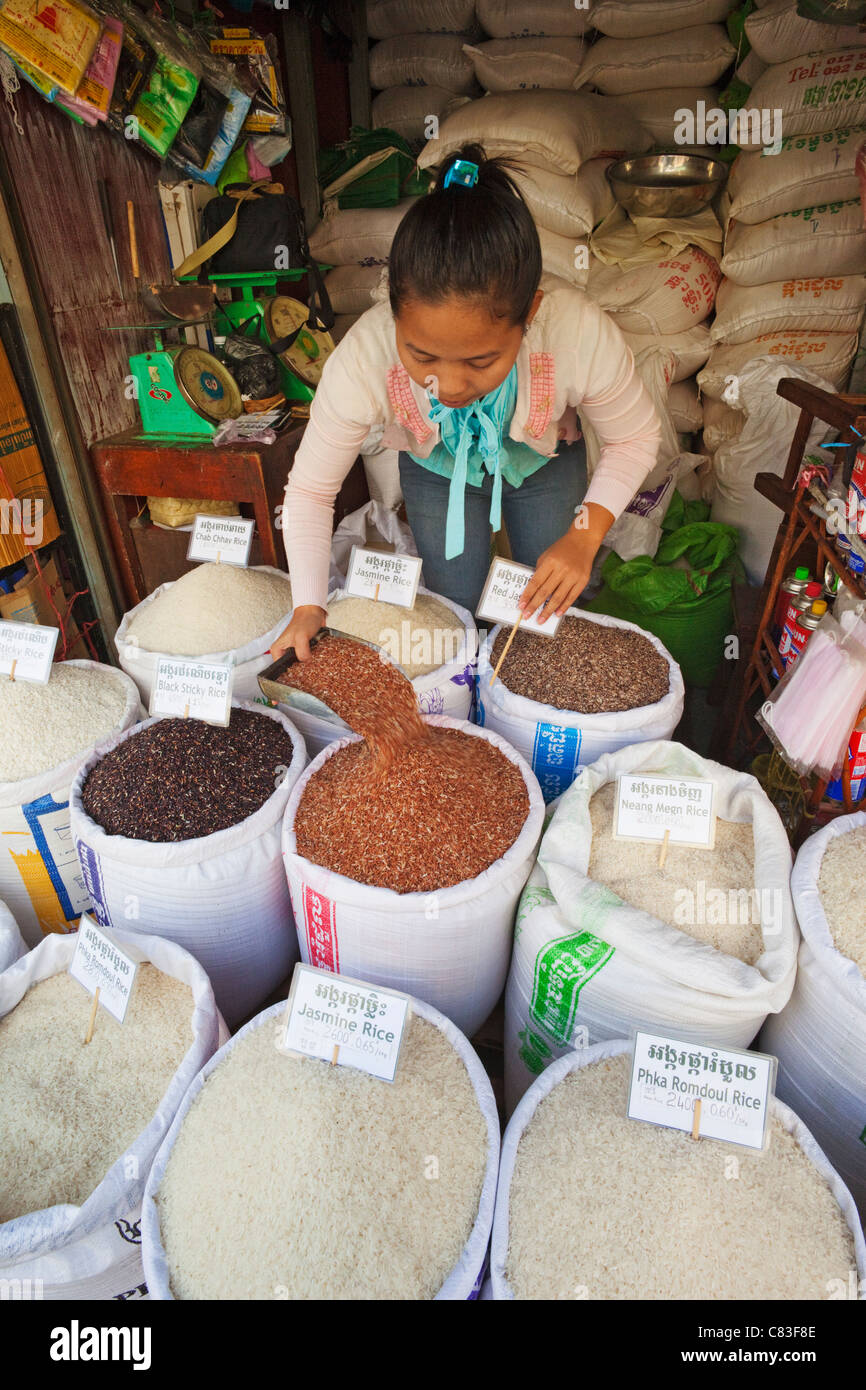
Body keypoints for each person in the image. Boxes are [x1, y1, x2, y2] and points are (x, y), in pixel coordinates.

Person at [273, 144, 661, 660]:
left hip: (541, 462)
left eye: (480, 362)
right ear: (393, 314)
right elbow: (312, 492)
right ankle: (472, 700)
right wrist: (307, 606)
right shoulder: (364, 357)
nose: (450, 386)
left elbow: (634, 437)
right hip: (437, 467)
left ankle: (533, 706)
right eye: (422, 355)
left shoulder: (574, 329)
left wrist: (584, 538)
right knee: (453, 607)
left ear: (531, 313)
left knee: (551, 603)